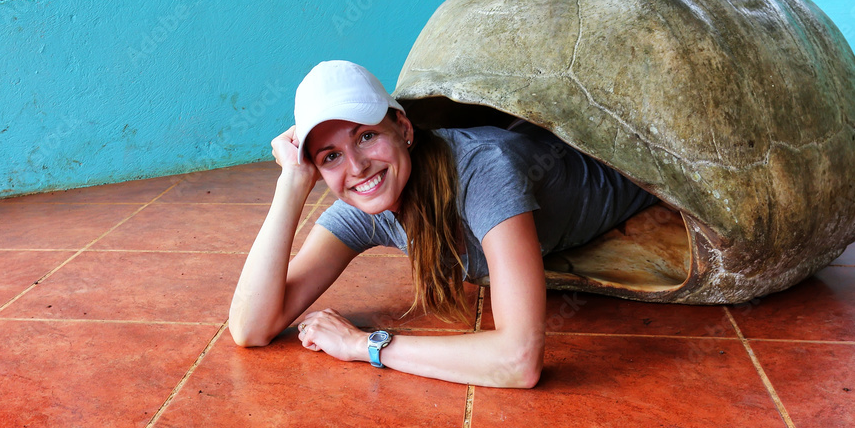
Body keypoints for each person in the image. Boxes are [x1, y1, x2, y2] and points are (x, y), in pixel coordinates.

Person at [228, 60, 657, 388]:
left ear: (403, 127)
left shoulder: (484, 172)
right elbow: (250, 328)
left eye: (366, 136)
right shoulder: (365, 205)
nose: (357, 167)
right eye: (330, 157)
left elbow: (519, 360)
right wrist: (292, 181)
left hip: (625, 158)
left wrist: (365, 345)